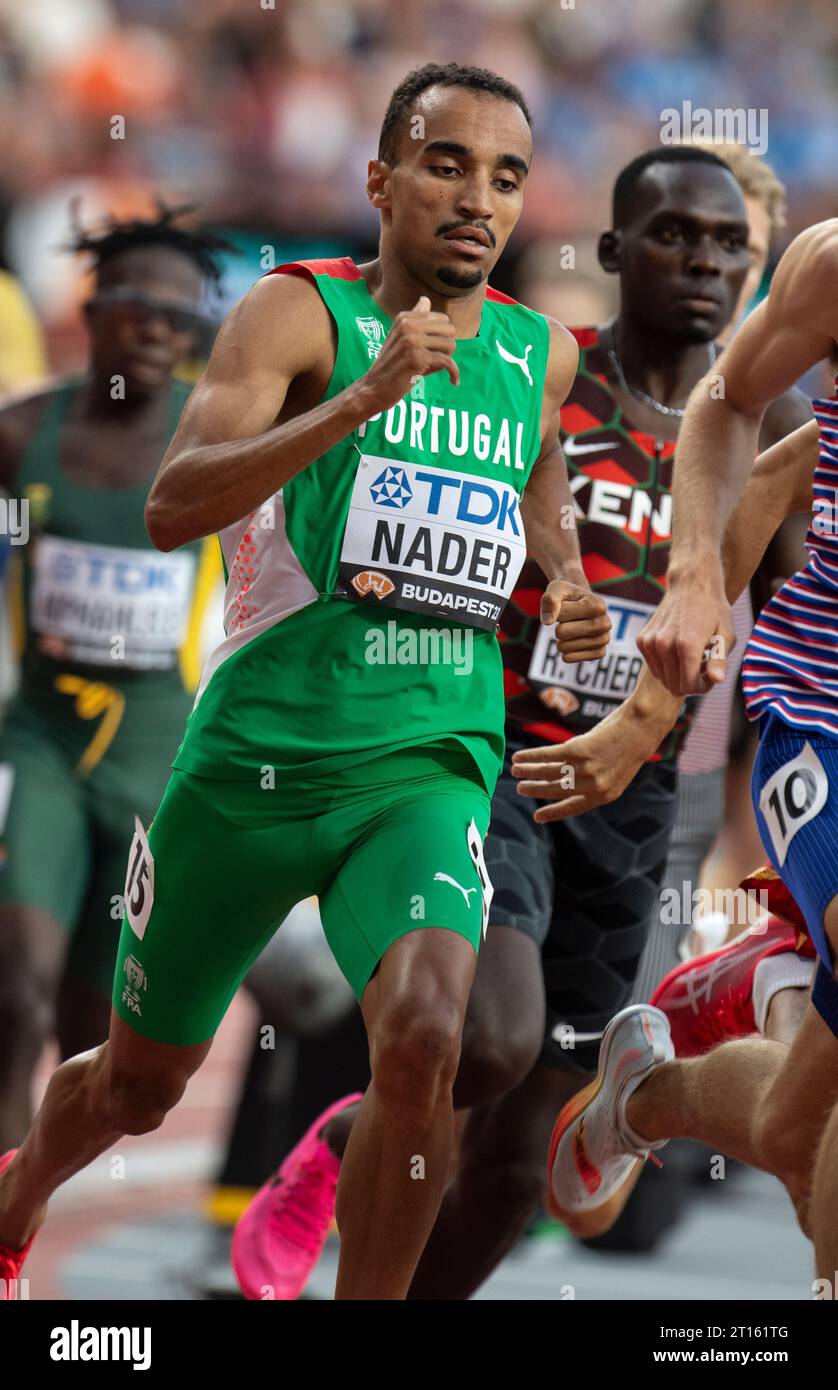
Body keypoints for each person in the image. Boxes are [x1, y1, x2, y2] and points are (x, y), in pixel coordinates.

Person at [0, 61, 607, 1303]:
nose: (477, 198)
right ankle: (13, 1206)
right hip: (254, 766)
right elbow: (175, 504)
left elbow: (536, 458)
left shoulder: (537, 352)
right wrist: (364, 398)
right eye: (445, 163)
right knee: (136, 1082)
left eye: (504, 176)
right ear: (379, 181)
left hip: (427, 760)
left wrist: (564, 568)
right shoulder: (297, 316)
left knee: (430, 1036)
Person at [233, 144, 809, 1301]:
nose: (703, 263)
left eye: (726, 247)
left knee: (519, 1160)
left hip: (642, 788)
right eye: (672, 237)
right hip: (496, 748)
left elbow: (785, 605)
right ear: (610, 252)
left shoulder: (775, 420)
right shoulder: (546, 372)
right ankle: (344, 1142)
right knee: (488, 1039)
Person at [543, 220, 838, 1276]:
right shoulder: (831, 266)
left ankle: (654, 1091)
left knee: (804, 1145)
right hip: (825, 714)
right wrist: (695, 581)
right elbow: (731, 405)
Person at [0, 206, 226, 1150]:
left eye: (182, 319)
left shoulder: (217, 441)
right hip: (43, 741)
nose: (161, 330)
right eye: (139, 307)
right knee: (13, 993)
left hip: (154, 757)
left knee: (94, 1035)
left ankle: (30, 1189)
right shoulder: (18, 439)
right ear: (92, 314)